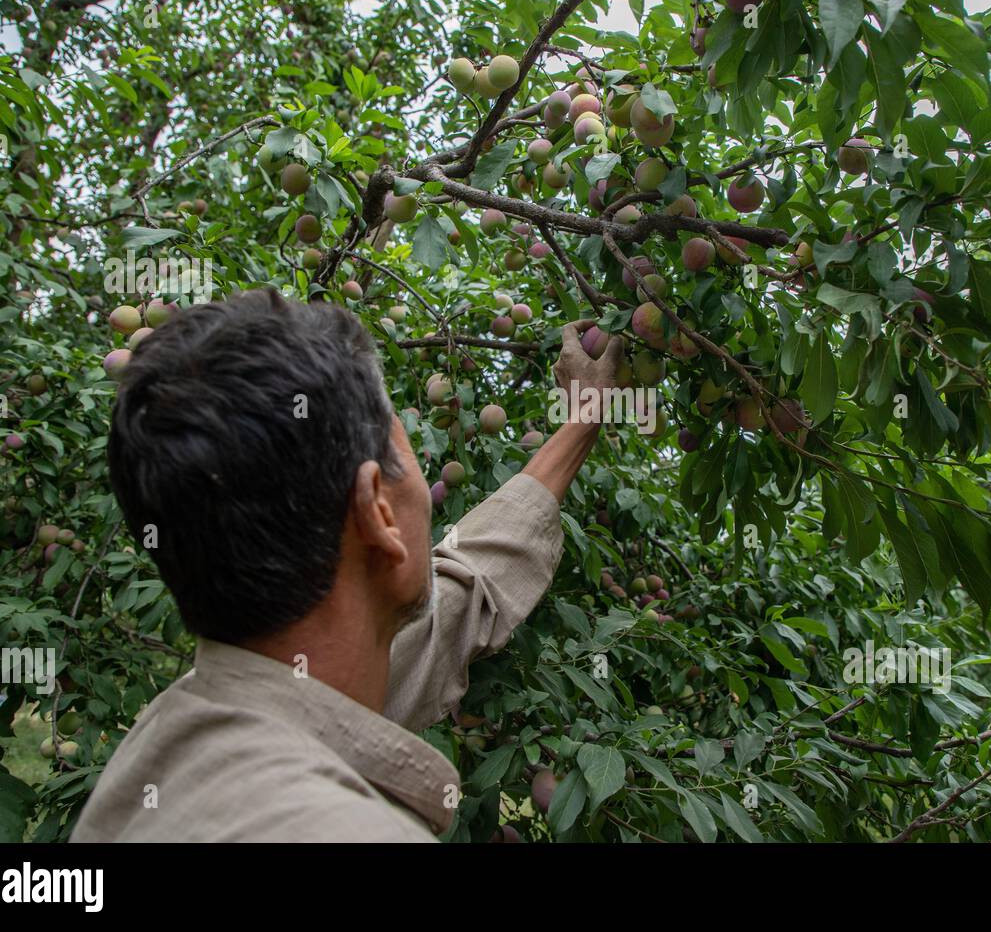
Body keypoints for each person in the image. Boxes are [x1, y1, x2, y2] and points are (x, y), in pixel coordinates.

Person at [71, 289, 621, 842]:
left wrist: (580, 424)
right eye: (407, 462)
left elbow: (457, 591)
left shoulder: (192, 721)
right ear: (377, 510)